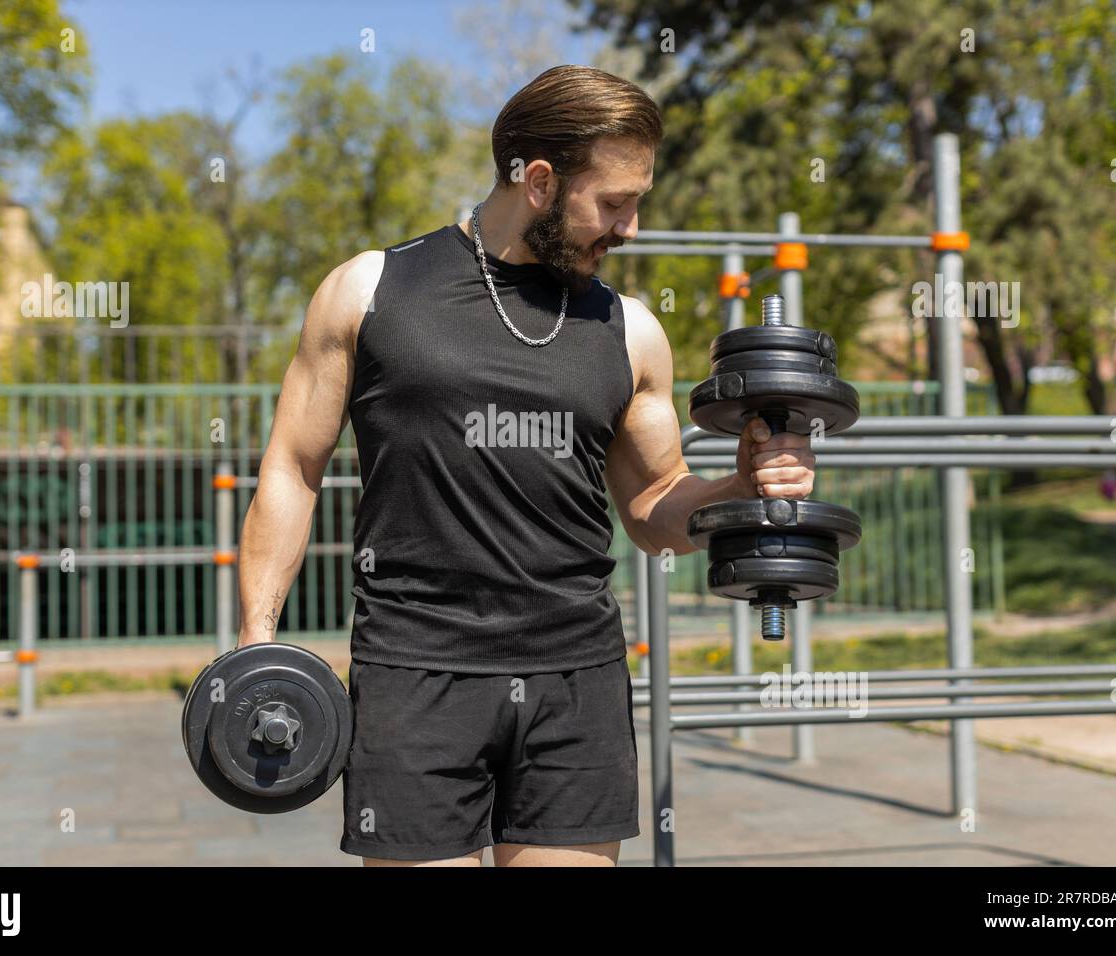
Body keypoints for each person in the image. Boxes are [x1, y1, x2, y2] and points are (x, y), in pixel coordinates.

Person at [234, 65, 816, 867]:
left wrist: (741, 487)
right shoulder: (369, 293)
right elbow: (293, 470)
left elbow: (654, 511)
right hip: (415, 672)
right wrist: (254, 641)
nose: (633, 227)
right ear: (539, 181)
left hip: (575, 680)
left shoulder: (629, 331)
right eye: (615, 203)